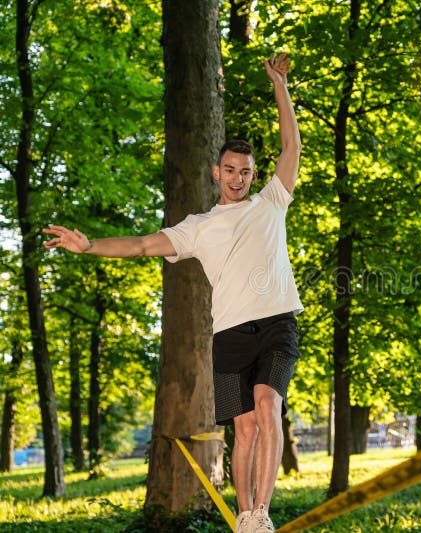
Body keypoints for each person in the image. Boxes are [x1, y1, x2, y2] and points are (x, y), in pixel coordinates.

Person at [43, 53, 302, 533]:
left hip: (278, 324)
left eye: (245, 171)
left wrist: (279, 86)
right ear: (215, 172)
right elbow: (142, 245)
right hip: (227, 336)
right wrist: (89, 246)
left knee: (269, 405)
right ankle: (244, 516)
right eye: (230, 169)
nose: (238, 178)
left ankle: (260, 515)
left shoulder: (272, 203)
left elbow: (292, 145)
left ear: (252, 174)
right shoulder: (196, 228)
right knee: (242, 429)